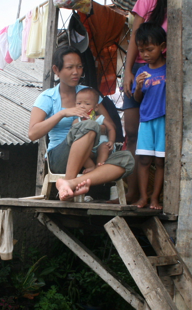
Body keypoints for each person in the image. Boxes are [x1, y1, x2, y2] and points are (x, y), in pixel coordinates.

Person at [29, 46, 134, 201]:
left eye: (79, 67)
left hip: (92, 155)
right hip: (60, 157)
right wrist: (62, 113)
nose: (76, 72)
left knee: (127, 159)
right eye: (70, 67)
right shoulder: (48, 97)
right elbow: (32, 134)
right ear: (56, 70)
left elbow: (109, 125)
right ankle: (69, 183)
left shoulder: (88, 93)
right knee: (88, 126)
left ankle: (69, 184)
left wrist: (93, 127)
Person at [122, 0, 168, 203]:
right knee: (132, 134)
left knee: (159, 152)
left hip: (161, 79)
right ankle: (133, 193)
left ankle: (154, 196)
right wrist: (128, 71)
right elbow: (135, 38)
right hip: (139, 73)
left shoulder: (183, 4)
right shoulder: (149, 0)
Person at [131, 23, 167, 209]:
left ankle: (155, 198)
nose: (145, 54)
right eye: (141, 50)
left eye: (149, 49)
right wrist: (137, 86)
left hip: (163, 120)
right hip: (145, 120)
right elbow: (138, 98)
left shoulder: (169, 70)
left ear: (162, 47)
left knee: (161, 161)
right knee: (144, 160)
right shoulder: (141, 72)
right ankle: (144, 197)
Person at [70, 87, 116, 172]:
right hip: (86, 147)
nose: (82, 106)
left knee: (104, 148)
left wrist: (111, 141)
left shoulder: (100, 118)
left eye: (87, 104)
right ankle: (91, 166)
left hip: (101, 144)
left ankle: (100, 166)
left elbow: (111, 129)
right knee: (80, 153)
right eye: (79, 103)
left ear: (96, 107)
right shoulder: (76, 122)